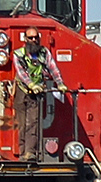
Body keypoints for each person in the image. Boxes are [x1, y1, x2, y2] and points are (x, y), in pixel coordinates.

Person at [11, 30, 65, 159]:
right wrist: (31, 84)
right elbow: (21, 72)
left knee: (33, 122)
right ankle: (22, 152)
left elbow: (53, 68)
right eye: (31, 38)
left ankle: (30, 152)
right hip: (21, 91)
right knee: (22, 123)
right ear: (25, 39)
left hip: (37, 93)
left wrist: (60, 83)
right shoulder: (18, 54)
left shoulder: (44, 53)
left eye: (36, 37)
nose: (34, 40)